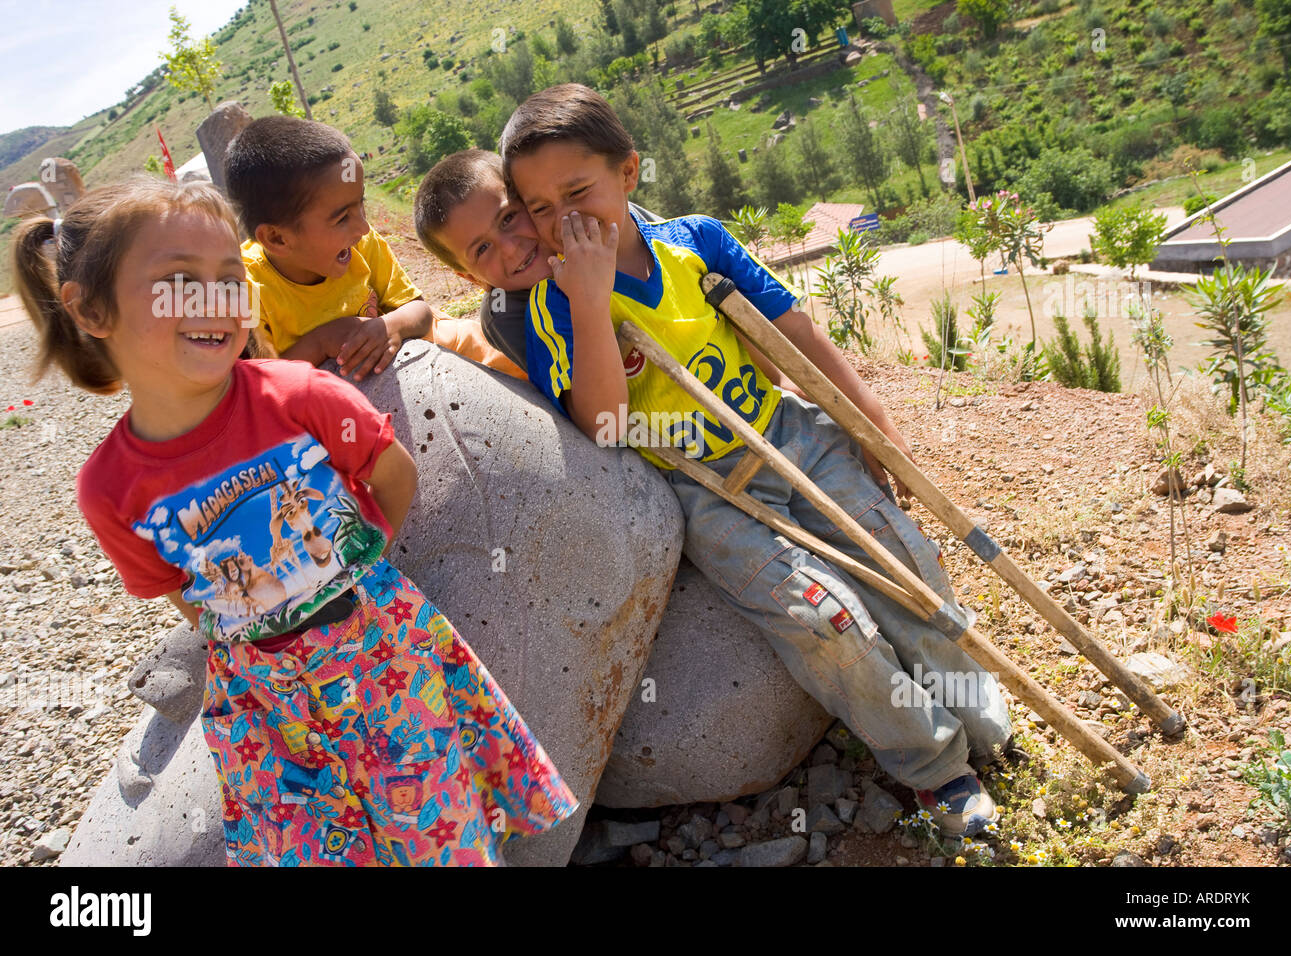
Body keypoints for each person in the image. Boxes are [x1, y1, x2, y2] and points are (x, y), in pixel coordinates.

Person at [12, 177, 577, 865]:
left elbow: (392, 474)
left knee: (435, 829)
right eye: (179, 282)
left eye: (228, 276)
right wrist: (262, 620)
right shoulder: (109, 487)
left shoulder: (300, 395)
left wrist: (349, 572)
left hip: (381, 656)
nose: (216, 300)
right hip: (264, 704)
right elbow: (180, 590)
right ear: (92, 310)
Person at [500, 84, 1014, 838]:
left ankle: (980, 713)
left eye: (578, 192)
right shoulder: (554, 308)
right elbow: (606, 427)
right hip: (710, 492)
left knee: (904, 563)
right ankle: (936, 767)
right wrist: (587, 300)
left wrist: (878, 435)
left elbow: (798, 338)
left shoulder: (697, 241)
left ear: (629, 173)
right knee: (824, 621)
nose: (563, 221)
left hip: (793, 435)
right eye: (540, 209)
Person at [412, 147, 663, 376]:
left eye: (508, 218)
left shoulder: (598, 219)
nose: (510, 248)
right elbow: (584, 396)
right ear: (473, 278)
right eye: (483, 248)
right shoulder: (506, 315)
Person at [224, 115, 433, 382]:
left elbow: (420, 311)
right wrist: (322, 342)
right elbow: (259, 383)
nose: (364, 228)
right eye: (342, 218)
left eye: (361, 204)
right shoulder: (246, 288)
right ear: (277, 239)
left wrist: (390, 325)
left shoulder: (362, 245)